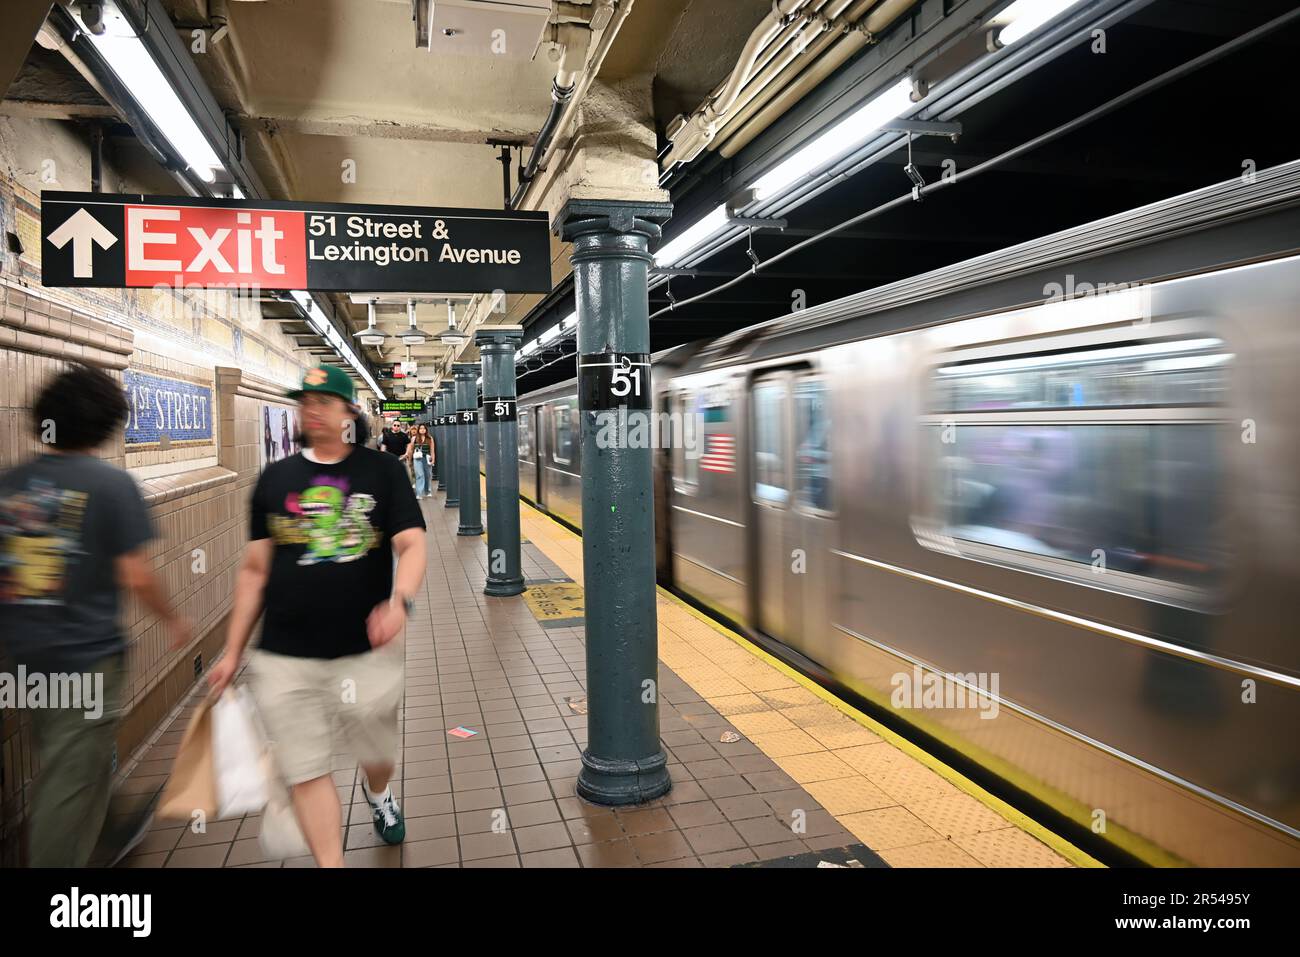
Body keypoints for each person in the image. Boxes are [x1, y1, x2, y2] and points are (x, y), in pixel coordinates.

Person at [208, 365, 426, 867]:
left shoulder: (382, 472)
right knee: (306, 769)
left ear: (349, 410)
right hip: (285, 655)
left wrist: (400, 603)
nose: (312, 410)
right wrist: (232, 651)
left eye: (324, 401)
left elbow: (412, 545)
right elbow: (254, 572)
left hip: (366, 653)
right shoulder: (275, 478)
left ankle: (379, 795)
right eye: (305, 401)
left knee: (377, 753)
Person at [0, 364, 190, 867]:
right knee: (68, 777)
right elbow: (136, 575)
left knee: (70, 751)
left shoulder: (12, 484)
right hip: (84, 657)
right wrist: (173, 620)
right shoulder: (109, 485)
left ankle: (112, 828)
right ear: (106, 424)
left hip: (23, 657)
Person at [405, 424, 434, 499]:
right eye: (420, 428)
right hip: (417, 459)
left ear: (426, 430)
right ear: (418, 430)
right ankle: (419, 493)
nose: (422, 430)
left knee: (427, 475)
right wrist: (410, 460)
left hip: (427, 458)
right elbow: (411, 450)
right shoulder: (414, 438)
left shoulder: (430, 438)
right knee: (420, 475)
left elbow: (432, 450)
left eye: (424, 428)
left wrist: (433, 459)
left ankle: (427, 491)